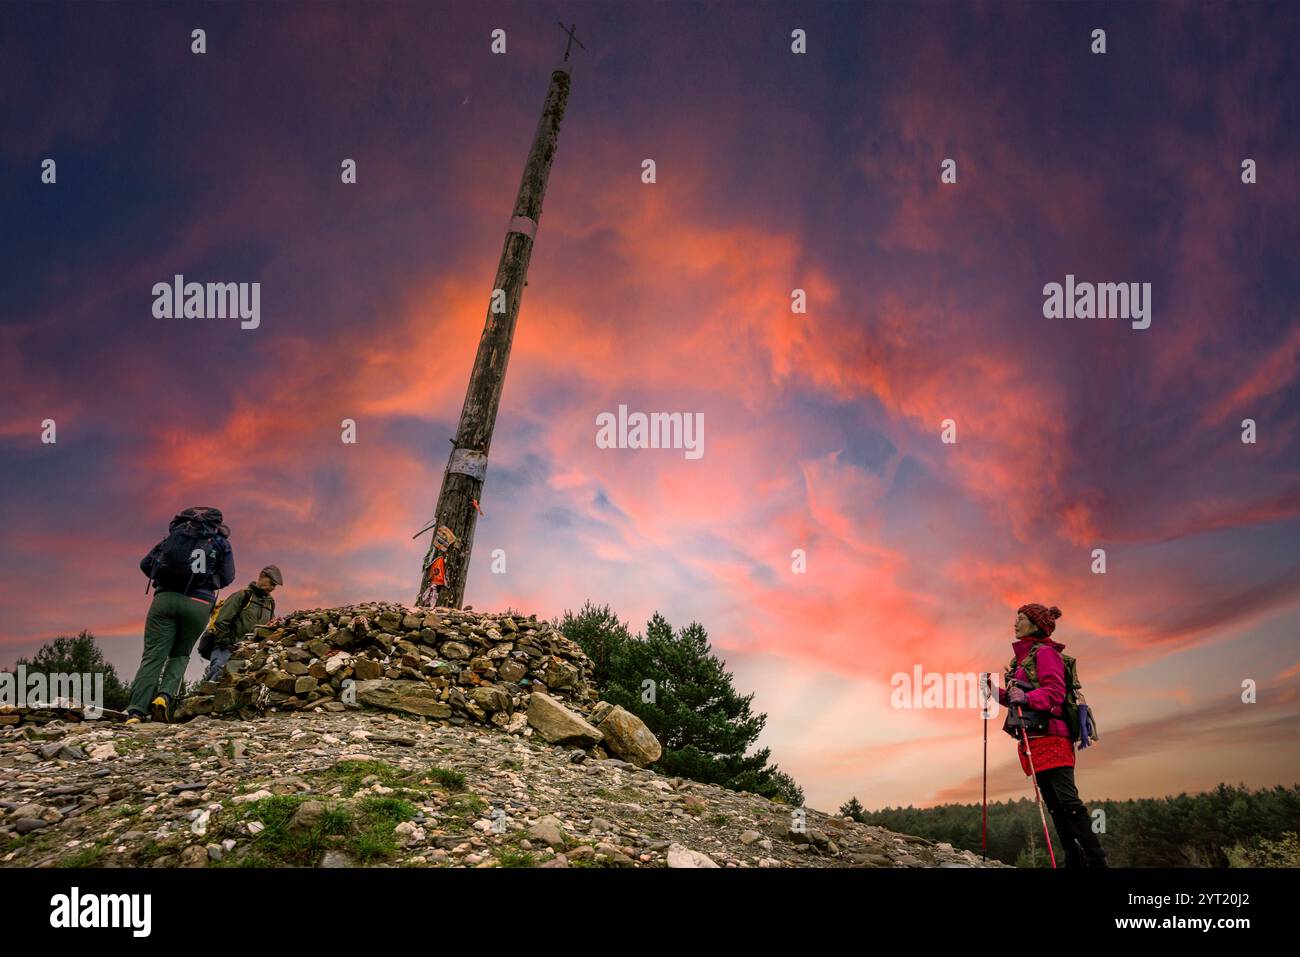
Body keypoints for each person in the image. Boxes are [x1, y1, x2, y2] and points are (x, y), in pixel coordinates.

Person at [996, 603, 1108, 867]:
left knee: (1068, 801)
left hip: (1054, 737)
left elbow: (1055, 691)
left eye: (1020, 618)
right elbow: (1019, 701)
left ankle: (1097, 862)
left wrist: (1024, 695)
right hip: (1034, 740)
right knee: (1056, 805)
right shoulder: (1021, 660)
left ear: (1035, 625)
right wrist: (995, 692)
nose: (1015, 623)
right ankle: (1074, 860)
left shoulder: (1045, 653)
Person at [126, 507, 235, 723]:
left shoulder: (175, 537)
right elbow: (228, 576)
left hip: (165, 599)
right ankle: (164, 698)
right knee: (180, 654)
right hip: (199, 604)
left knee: (153, 655)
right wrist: (206, 583)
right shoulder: (221, 542)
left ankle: (136, 711)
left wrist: (166, 580)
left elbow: (146, 564)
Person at [202, 565, 282, 682]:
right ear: (262, 576)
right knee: (217, 676)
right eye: (272, 583)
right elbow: (221, 621)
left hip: (248, 653)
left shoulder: (270, 604)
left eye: (275, 585)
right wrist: (228, 645)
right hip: (226, 649)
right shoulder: (242, 595)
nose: (273, 587)